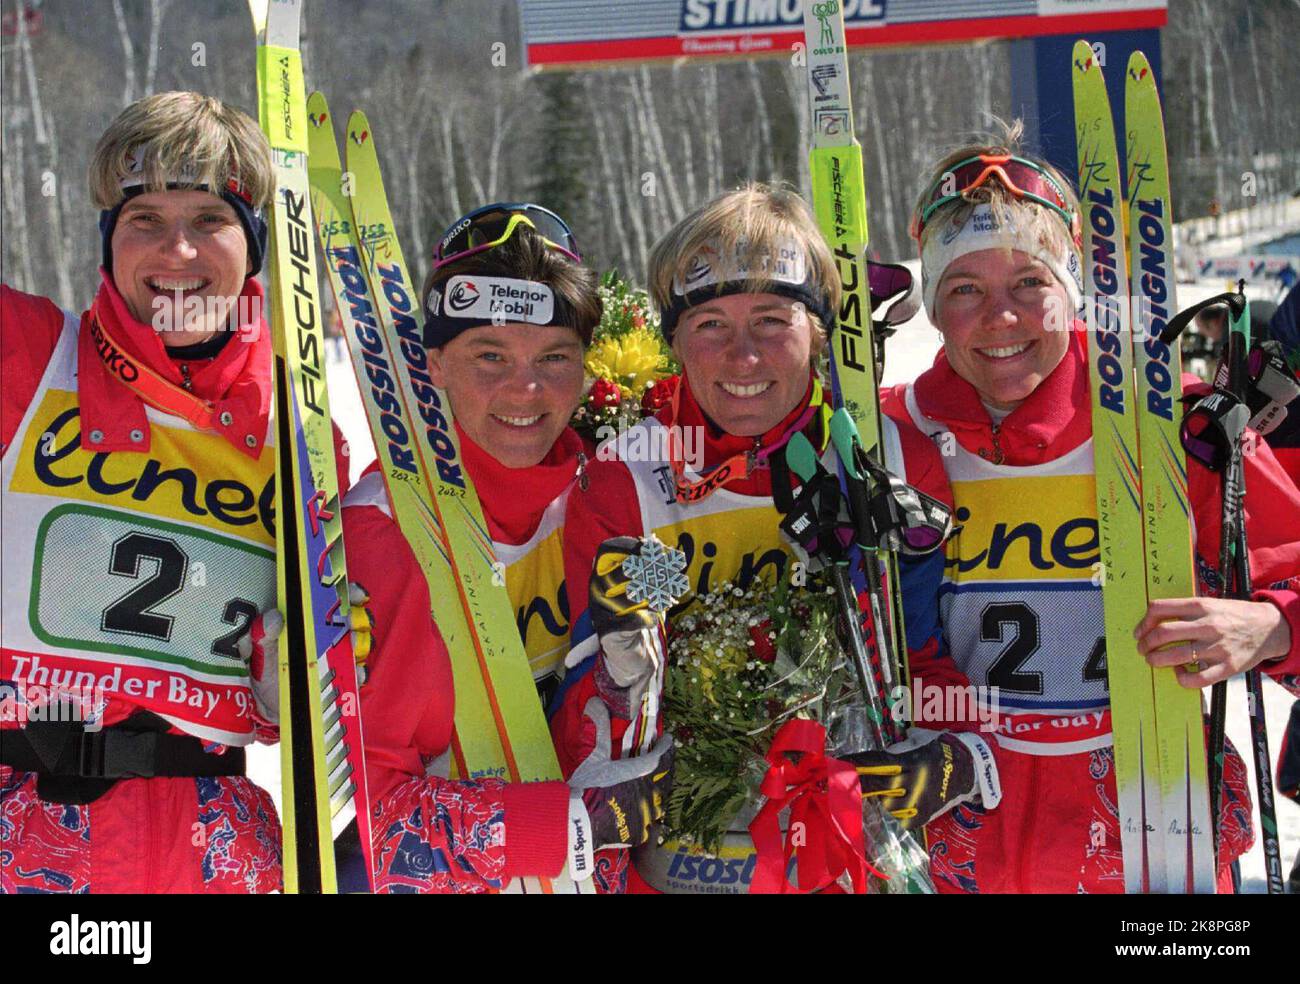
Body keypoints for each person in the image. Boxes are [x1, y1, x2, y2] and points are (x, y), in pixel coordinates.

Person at [877, 129, 1300, 893]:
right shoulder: (891, 435)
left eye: (1029, 283)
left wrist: (1272, 625)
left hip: (1152, 841)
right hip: (955, 849)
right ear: (934, 306)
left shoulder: (1174, 426)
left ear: (1070, 287)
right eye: (965, 288)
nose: (1000, 318)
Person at [553, 183, 993, 893]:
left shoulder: (888, 458)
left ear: (819, 329)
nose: (743, 356)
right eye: (710, 326)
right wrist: (618, 678)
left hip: (854, 848)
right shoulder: (625, 478)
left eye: (771, 320)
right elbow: (586, 715)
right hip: (687, 862)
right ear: (673, 340)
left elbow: (930, 654)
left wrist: (954, 754)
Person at [311, 205, 672, 892]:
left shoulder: (607, 503)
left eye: (554, 359)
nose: (525, 390)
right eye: (491, 357)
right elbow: (378, 818)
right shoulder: (385, 534)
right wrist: (566, 829)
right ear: (434, 366)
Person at [0, 91, 284, 893]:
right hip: (31, 835)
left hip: (217, 843)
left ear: (254, 242)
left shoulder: (301, 435)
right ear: (107, 241)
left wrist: (300, 674)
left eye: (209, 219)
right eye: (146, 221)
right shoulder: (27, 359)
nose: (179, 253)